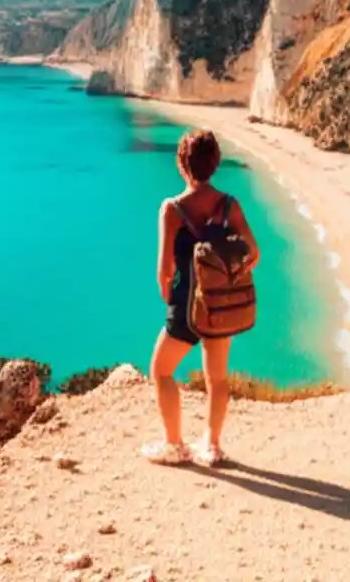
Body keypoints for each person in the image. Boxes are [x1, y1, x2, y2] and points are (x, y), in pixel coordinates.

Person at [141, 129, 259, 466]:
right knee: (217, 378)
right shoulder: (229, 205)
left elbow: (164, 270)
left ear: (182, 165)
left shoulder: (172, 209)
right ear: (215, 163)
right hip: (220, 304)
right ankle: (213, 446)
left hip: (185, 306)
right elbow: (253, 253)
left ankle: (175, 445)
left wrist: (170, 298)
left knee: (162, 371)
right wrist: (226, 276)